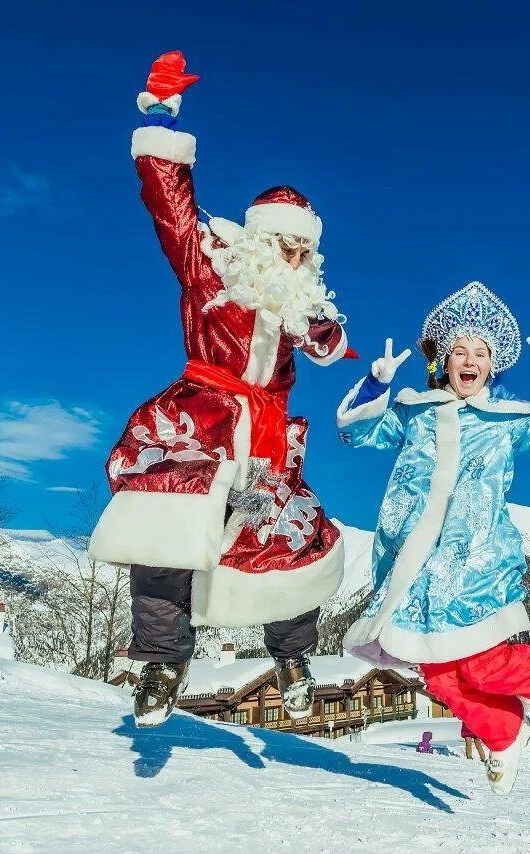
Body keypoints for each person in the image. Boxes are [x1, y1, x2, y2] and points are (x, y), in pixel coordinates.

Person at [88, 52, 355, 728]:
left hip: (266, 439)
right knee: (164, 536)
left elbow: (327, 343)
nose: (293, 258)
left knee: (291, 541)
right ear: (260, 241)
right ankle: (159, 664)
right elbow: (171, 210)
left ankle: (294, 659)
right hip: (201, 421)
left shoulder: (301, 306)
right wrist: (162, 130)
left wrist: (334, 340)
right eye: (284, 246)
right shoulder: (212, 270)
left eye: (303, 250)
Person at [337, 281, 530, 795]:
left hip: (474, 562)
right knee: (439, 675)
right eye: (459, 350)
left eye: (480, 353)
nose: (469, 359)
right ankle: (503, 735)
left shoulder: (506, 422)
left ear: (492, 365)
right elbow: (356, 432)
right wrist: (375, 385)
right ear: (440, 360)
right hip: (411, 564)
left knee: (485, 664)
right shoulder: (413, 413)